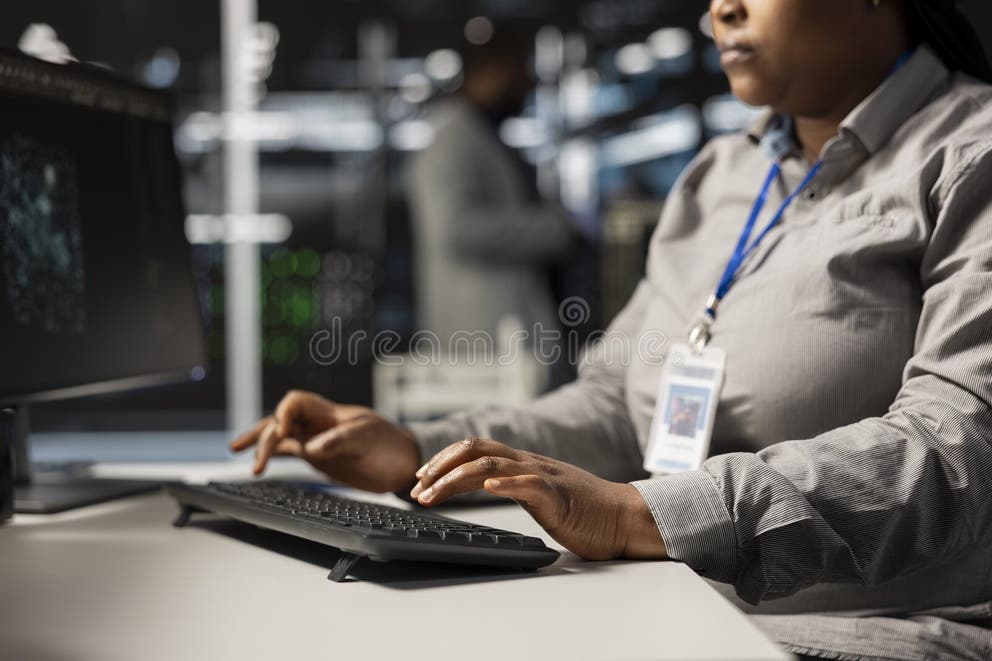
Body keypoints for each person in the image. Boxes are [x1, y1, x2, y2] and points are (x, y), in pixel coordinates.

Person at [231, 1, 992, 658]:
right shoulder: (720, 176)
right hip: (681, 600)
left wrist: (648, 514)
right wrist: (419, 449)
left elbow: (958, 449)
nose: (718, 10)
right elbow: (612, 403)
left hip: (869, 627)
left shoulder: (968, 153)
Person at [406, 30, 577, 345]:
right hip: (481, 334)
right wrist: (554, 228)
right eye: (520, 73)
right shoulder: (452, 137)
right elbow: (455, 229)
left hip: (503, 335)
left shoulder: (480, 133)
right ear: (493, 71)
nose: (526, 86)